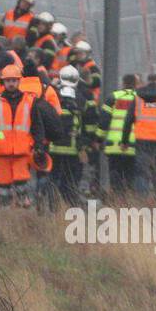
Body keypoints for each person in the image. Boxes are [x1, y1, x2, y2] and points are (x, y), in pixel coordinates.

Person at [0, 63, 63, 208]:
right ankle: (40, 193)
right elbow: (57, 113)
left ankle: (14, 204)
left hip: (17, 143)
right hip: (40, 140)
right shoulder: (46, 89)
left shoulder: (15, 91)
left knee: (15, 176)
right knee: (41, 170)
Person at [122, 71, 156, 201]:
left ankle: (141, 199)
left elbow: (128, 120)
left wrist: (124, 141)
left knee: (142, 169)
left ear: (147, 81)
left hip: (142, 138)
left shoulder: (138, 97)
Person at [50, 65, 87, 206]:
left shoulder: (53, 95)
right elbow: (88, 125)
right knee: (70, 180)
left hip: (54, 147)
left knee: (53, 178)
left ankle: (52, 206)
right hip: (73, 149)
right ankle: (71, 206)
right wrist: (84, 145)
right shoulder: (82, 98)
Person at [99, 74, 139, 194]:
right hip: (134, 145)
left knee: (115, 177)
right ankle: (128, 204)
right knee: (130, 177)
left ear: (123, 83)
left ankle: (117, 201)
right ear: (136, 84)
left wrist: (98, 139)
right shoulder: (140, 99)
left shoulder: (113, 98)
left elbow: (103, 121)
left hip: (114, 146)